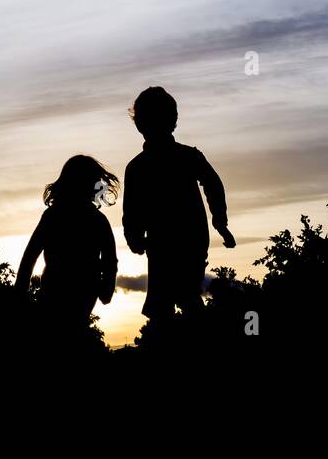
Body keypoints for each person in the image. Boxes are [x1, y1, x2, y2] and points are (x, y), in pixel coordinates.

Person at [122, 87, 234, 321]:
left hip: (172, 242)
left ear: (139, 124)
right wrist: (219, 222)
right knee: (182, 299)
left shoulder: (140, 166)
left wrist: (135, 238)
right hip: (179, 241)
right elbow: (214, 185)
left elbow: (132, 211)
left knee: (171, 302)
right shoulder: (182, 157)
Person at [15, 155, 119, 342]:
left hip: (64, 288)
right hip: (77, 288)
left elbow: (30, 255)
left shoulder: (54, 216)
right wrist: (107, 288)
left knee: (59, 335)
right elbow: (110, 260)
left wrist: (19, 291)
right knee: (68, 335)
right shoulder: (95, 220)